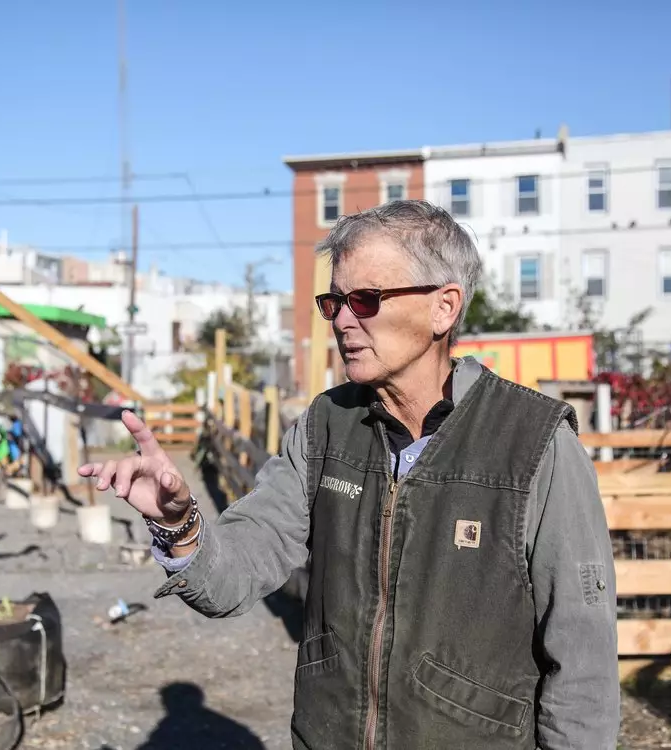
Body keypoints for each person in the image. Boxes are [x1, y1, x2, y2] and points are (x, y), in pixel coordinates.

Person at [79, 200, 619, 749]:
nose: (342, 319)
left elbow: (582, 660)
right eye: (334, 301)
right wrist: (182, 525)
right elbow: (240, 566)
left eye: (366, 299)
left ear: (444, 308)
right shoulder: (325, 425)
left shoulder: (535, 442)